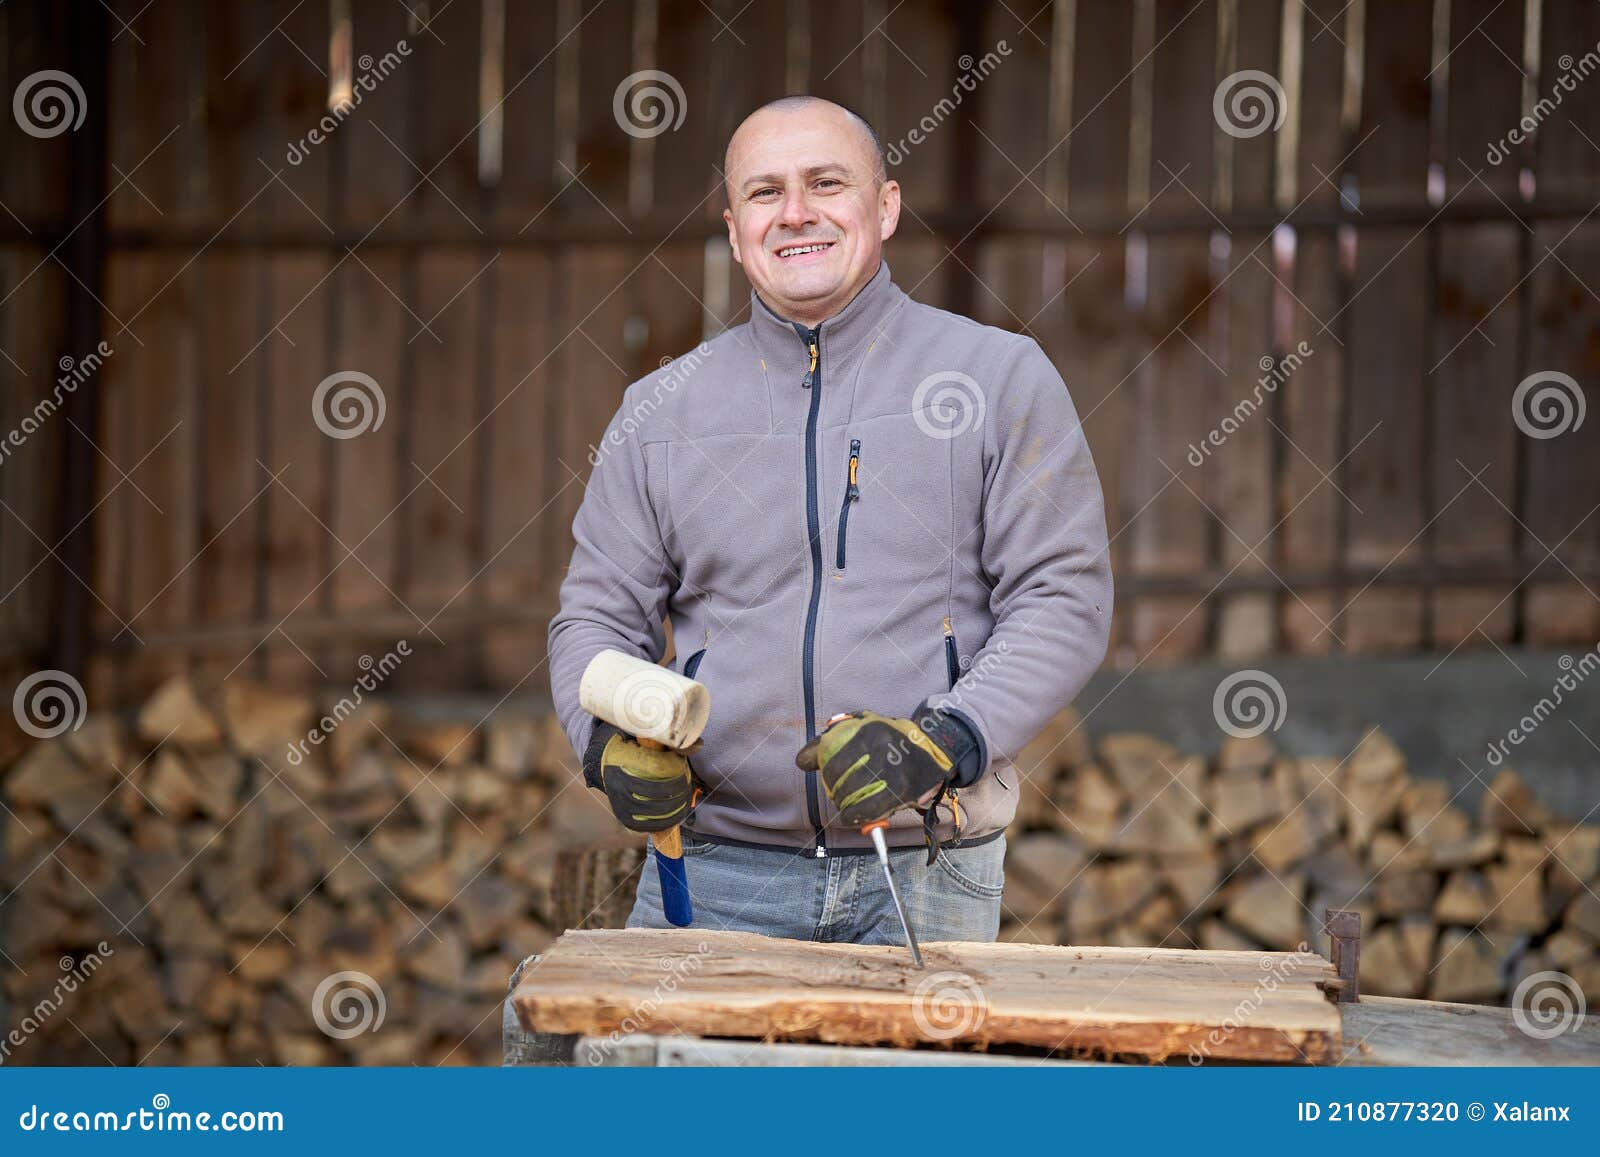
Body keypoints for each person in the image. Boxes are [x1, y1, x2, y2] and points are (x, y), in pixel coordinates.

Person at [547, 94, 1112, 946]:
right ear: (735, 230)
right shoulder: (659, 410)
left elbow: (1064, 596)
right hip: (712, 867)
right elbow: (592, 620)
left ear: (884, 207)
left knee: (902, 1087)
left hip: (926, 868)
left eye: (826, 182)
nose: (797, 212)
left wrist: (948, 737)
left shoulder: (997, 377)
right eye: (766, 193)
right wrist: (604, 744)